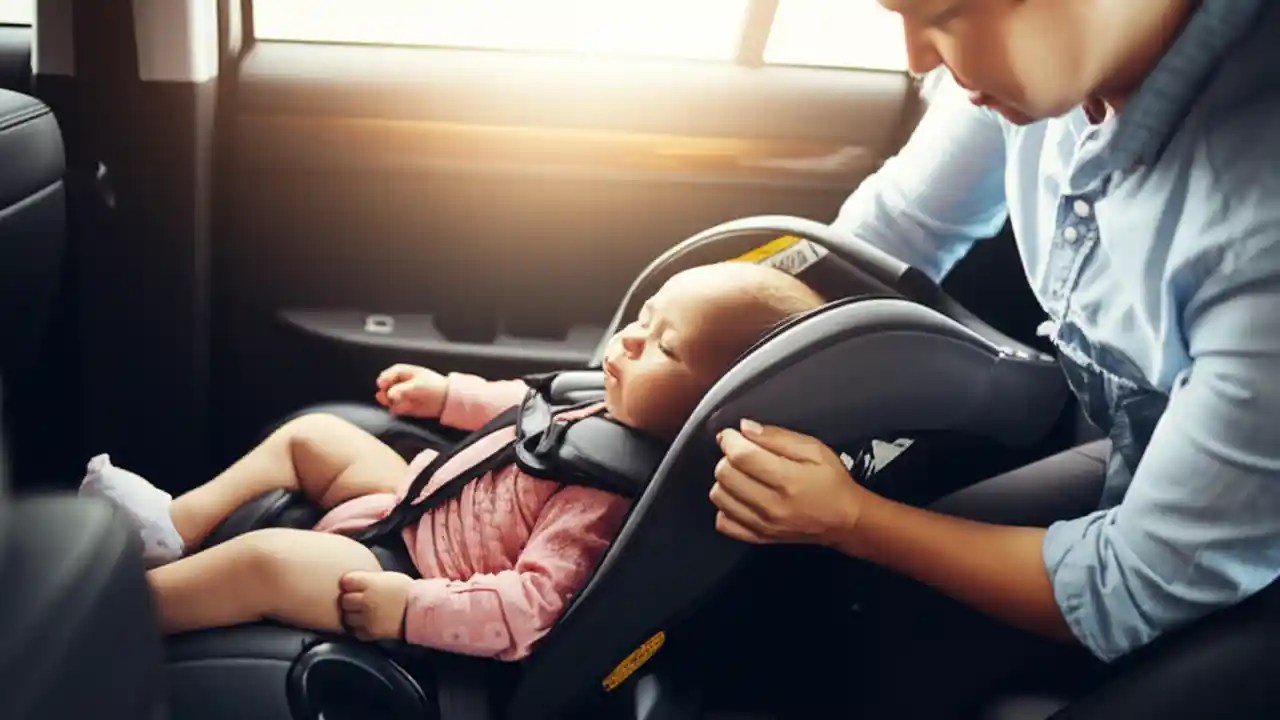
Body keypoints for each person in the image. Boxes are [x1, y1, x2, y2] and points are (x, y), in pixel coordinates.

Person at [708, 0, 1280, 715]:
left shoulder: (1260, 214)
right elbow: (893, 233)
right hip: (1144, 455)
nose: (917, 56)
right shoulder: (1052, 65)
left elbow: (1130, 584)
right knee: (862, 608)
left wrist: (851, 518)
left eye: (945, 12)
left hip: (1249, 558)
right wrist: (707, 343)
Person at [79, 262, 823, 660]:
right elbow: (515, 406)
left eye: (665, 346)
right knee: (314, 437)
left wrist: (408, 611)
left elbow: (527, 612)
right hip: (419, 502)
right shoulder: (603, 397)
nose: (629, 340)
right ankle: (169, 527)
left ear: (715, 407)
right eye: (645, 317)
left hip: (414, 572)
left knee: (266, 563)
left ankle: (104, 616)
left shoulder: (606, 501)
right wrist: (444, 396)